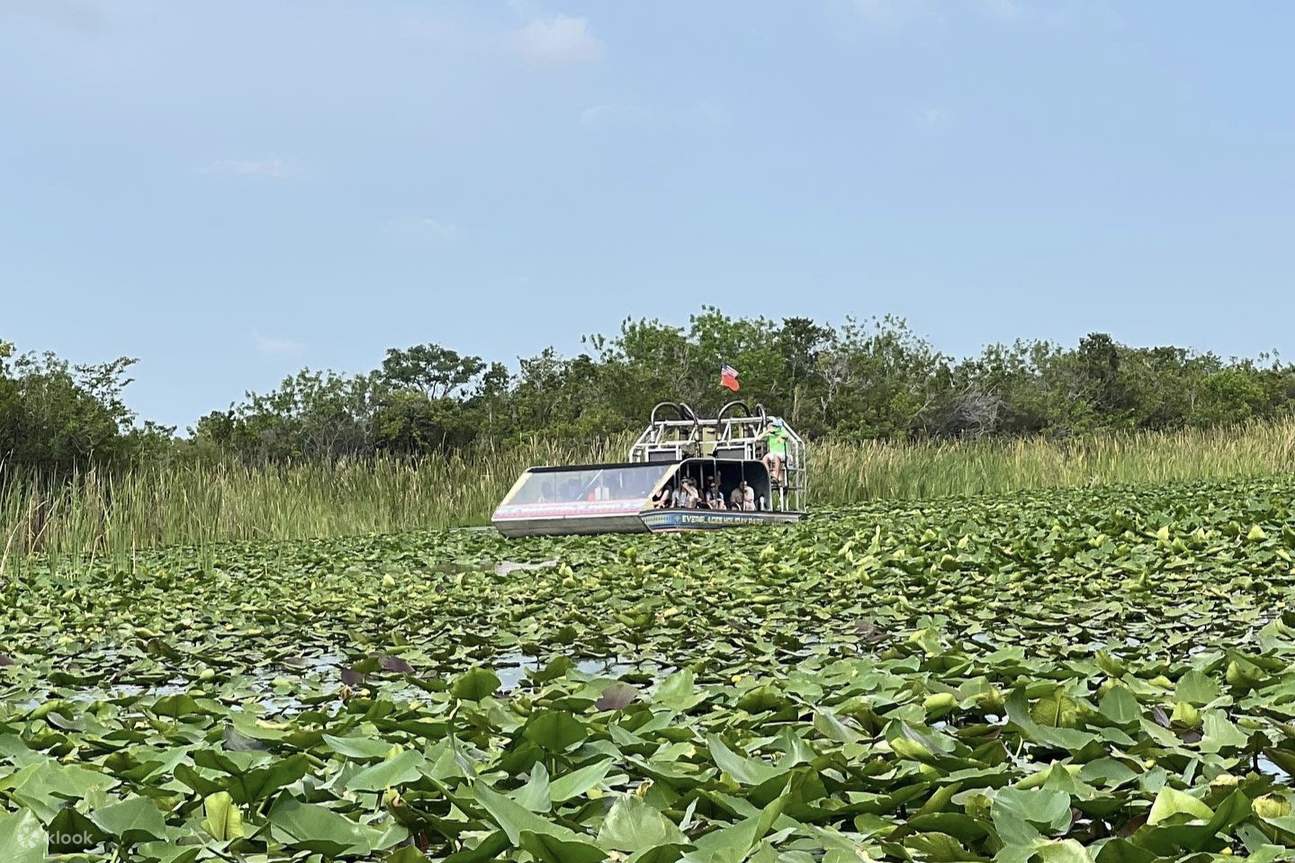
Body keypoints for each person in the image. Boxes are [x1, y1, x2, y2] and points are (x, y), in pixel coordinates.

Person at [759, 418, 790, 486]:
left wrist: (778, 434)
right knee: (765, 458)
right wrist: (766, 432)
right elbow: (758, 438)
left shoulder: (782, 432)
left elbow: (787, 435)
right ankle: (767, 475)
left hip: (782, 453)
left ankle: (776, 476)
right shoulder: (770, 435)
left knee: (776, 457)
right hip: (772, 453)